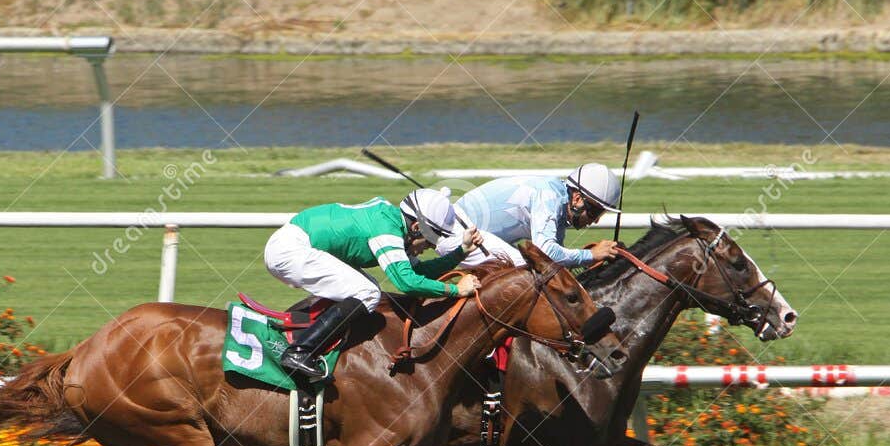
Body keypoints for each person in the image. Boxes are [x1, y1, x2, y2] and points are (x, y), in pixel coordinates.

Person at [263, 188, 492, 380]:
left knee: (368, 287)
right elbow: (407, 283)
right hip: (290, 251)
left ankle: (322, 339)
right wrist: (454, 290)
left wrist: (460, 253)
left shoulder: (391, 221)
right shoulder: (387, 229)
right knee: (368, 292)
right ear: (415, 228)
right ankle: (299, 352)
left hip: (297, 244)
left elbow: (417, 271)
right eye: (433, 239)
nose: (432, 247)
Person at [453, 163, 624, 269]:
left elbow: (559, 258)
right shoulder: (549, 196)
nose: (596, 220)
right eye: (594, 212)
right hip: (462, 234)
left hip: (472, 233)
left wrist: (591, 258)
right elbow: (547, 253)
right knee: (533, 268)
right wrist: (591, 255)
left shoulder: (561, 202)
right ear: (577, 198)